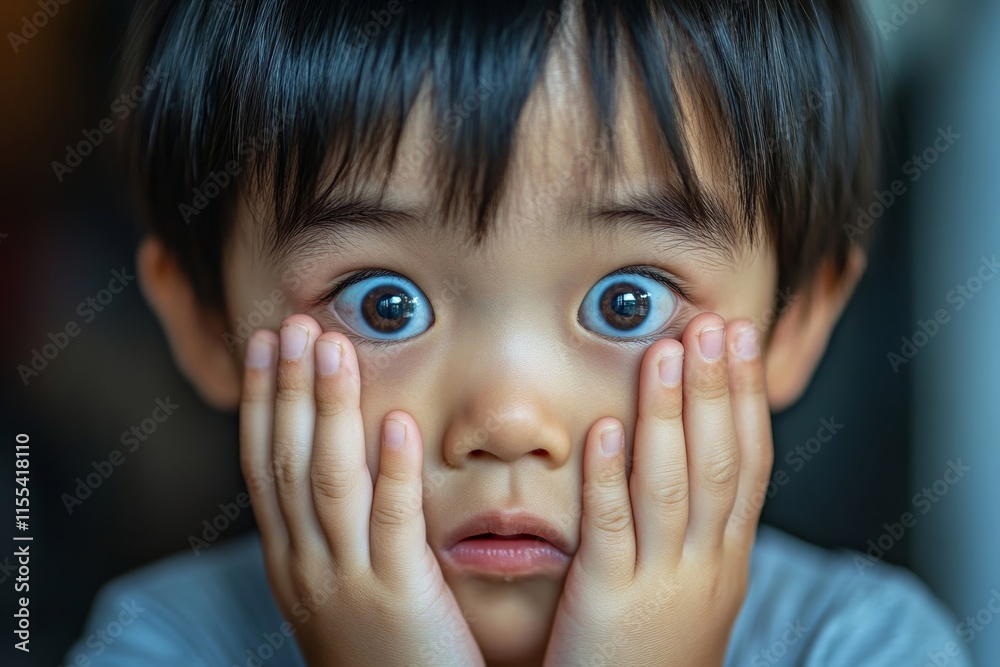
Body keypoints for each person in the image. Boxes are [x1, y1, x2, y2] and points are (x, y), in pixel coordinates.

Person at [63, 0, 972, 665]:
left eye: (629, 301)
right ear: (206, 323)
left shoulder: (866, 644)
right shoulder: (156, 643)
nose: (505, 419)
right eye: (385, 304)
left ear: (796, 321)